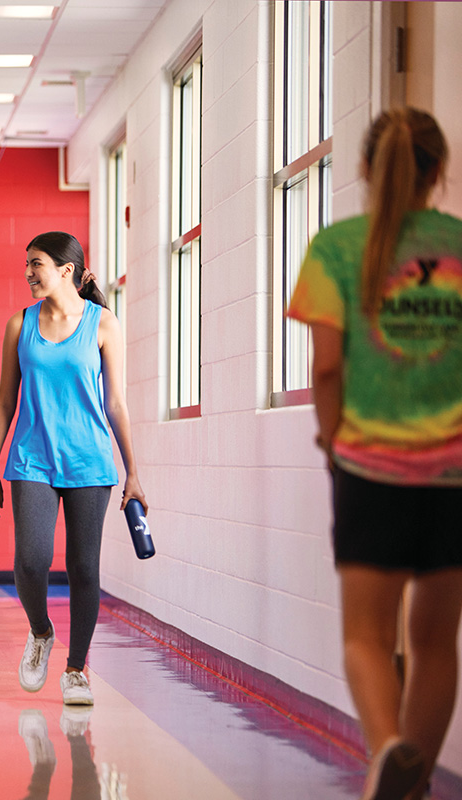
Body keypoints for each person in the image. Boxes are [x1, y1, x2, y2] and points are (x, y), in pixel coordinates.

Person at [287, 108, 461, 800]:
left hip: (369, 469)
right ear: (438, 172)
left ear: (363, 168)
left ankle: (388, 747)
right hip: (453, 474)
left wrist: (334, 443)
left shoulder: (337, 248)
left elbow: (326, 368)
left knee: (366, 634)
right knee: (437, 642)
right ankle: (411, 785)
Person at [0, 231, 146, 705]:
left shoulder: (103, 323)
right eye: (27, 264)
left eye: (37, 264)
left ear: (66, 270)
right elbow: (4, 402)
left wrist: (132, 471)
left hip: (89, 460)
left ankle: (76, 670)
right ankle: (40, 632)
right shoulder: (20, 324)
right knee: (31, 561)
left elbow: (116, 402)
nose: (29, 273)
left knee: (83, 568)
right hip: (31, 457)